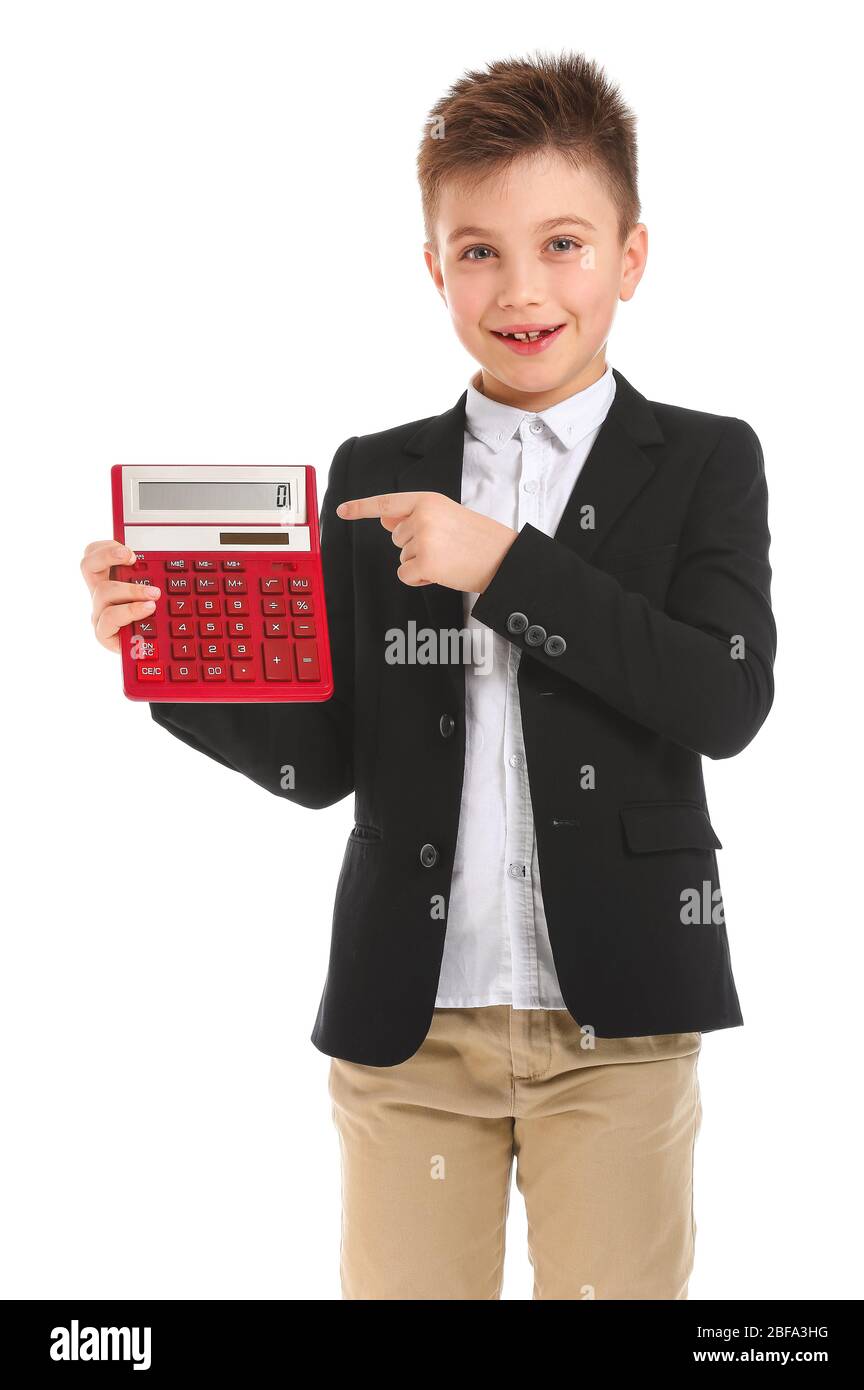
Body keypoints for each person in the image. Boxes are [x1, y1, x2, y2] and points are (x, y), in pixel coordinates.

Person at [81, 51, 776, 1300]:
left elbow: (719, 699)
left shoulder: (706, 461)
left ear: (628, 257)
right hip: (413, 1029)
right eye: (476, 251)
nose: (520, 288)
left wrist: (502, 564)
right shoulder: (377, 465)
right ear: (432, 267)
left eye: (562, 243)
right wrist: (167, 656)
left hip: (616, 1030)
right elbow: (325, 760)